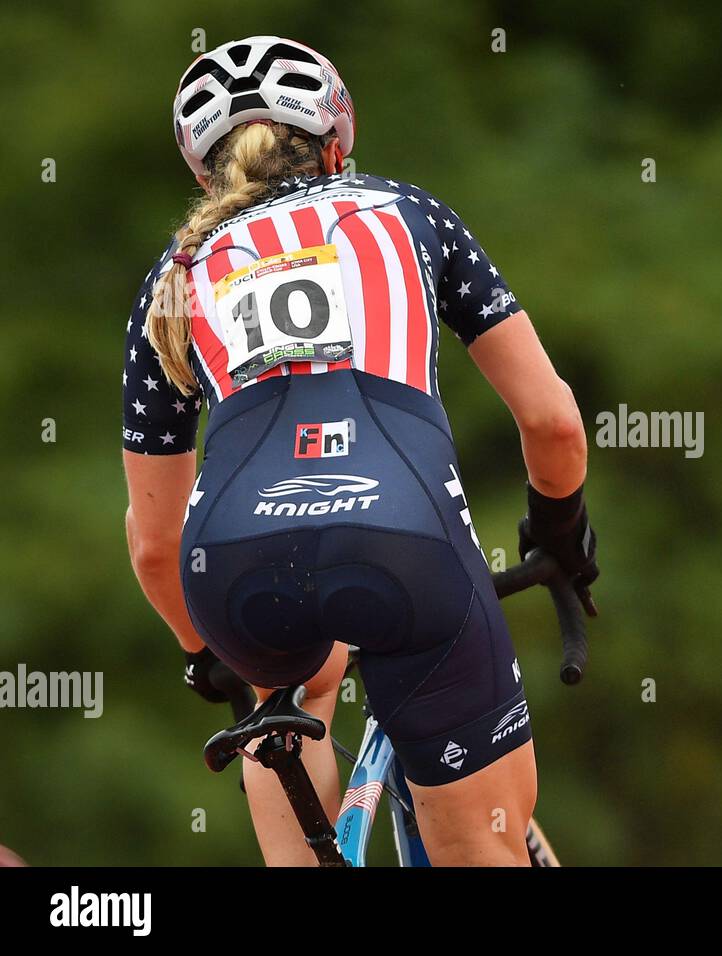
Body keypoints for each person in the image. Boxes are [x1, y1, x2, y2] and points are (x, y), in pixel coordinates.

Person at [122, 36, 597, 866]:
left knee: (290, 689)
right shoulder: (406, 212)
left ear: (206, 175)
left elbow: (154, 542)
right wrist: (560, 532)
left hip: (234, 567)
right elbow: (552, 421)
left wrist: (211, 658)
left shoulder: (175, 273)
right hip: (406, 538)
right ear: (338, 142)